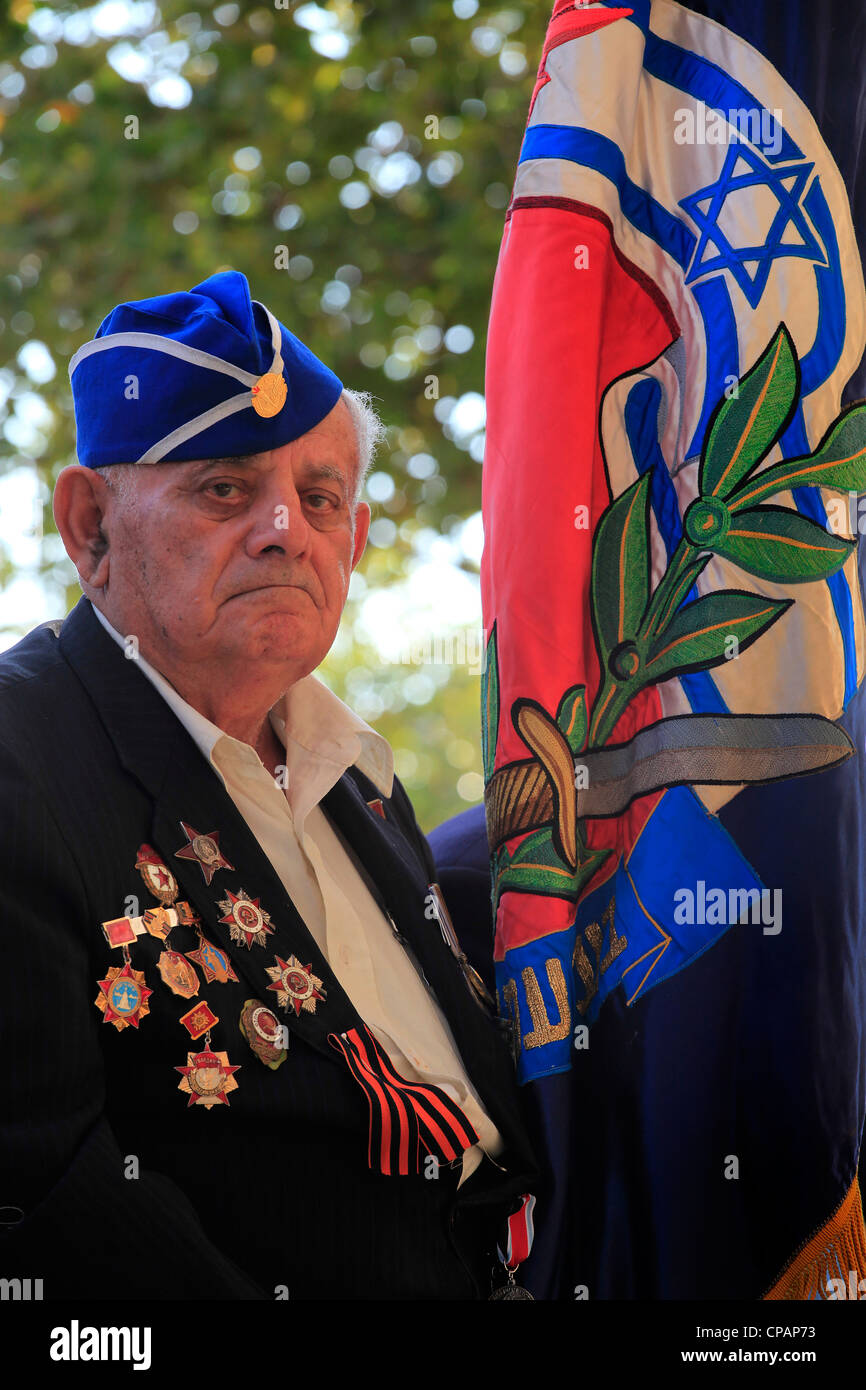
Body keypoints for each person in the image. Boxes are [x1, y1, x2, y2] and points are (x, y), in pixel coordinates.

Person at [0, 270, 536, 1300]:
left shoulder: (357, 780)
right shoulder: (23, 763)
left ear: (355, 541)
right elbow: (44, 1201)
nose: (286, 528)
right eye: (225, 489)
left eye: (320, 497)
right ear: (90, 527)